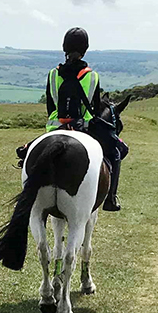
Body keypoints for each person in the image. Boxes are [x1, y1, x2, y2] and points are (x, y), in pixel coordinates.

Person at [45, 27, 123, 211]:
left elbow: (50, 107)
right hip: (83, 128)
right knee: (116, 153)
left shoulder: (53, 74)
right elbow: (95, 108)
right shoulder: (92, 76)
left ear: (64, 48)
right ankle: (110, 199)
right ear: (85, 49)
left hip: (54, 128)